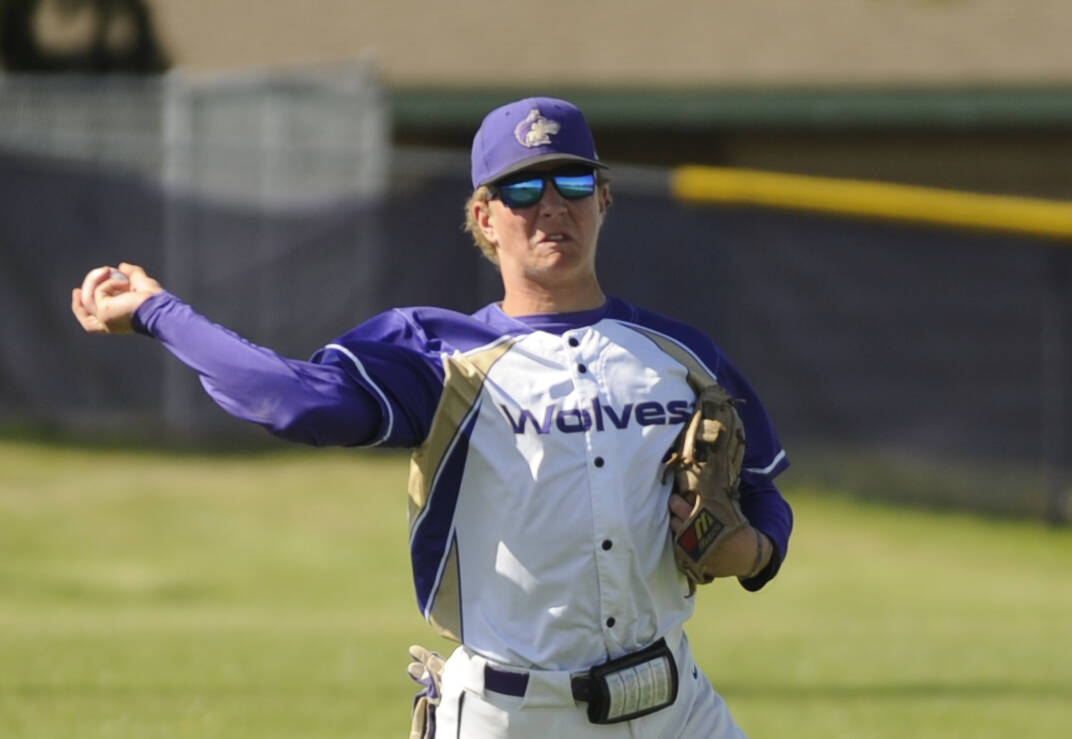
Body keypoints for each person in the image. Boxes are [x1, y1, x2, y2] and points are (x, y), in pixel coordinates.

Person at [72, 97, 792, 738]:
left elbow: (761, 486)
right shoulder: (444, 358)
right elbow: (290, 401)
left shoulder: (678, 354)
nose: (551, 205)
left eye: (572, 182)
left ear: (603, 199)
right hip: (512, 718)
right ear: (484, 217)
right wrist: (159, 313)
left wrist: (757, 552)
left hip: (678, 707)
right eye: (522, 189)